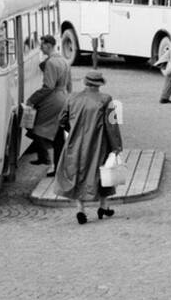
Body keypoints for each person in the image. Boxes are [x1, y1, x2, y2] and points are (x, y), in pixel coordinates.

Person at [53, 69, 123, 225]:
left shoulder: (72, 98)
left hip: (75, 144)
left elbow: (62, 120)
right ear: (99, 84)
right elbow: (112, 125)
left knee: (77, 174)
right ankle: (103, 206)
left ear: (85, 82)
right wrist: (116, 146)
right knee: (102, 173)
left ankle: (80, 209)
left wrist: (72, 131)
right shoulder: (106, 100)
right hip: (98, 144)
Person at [25, 34, 72, 172]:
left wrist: (32, 100)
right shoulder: (63, 60)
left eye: (42, 45)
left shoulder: (51, 62)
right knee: (58, 135)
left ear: (48, 46)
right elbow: (69, 85)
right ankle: (56, 165)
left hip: (53, 99)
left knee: (34, 126)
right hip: (63, 97)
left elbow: (48, 87)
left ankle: (46, 158)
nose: (40, 47)